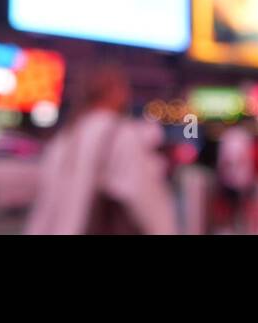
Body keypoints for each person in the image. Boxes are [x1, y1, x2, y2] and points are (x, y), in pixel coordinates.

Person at [26, 66, 177, 234]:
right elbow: (146, 200)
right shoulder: (121, 135)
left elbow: (46, 206)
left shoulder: (65, 137)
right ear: (114, 91)